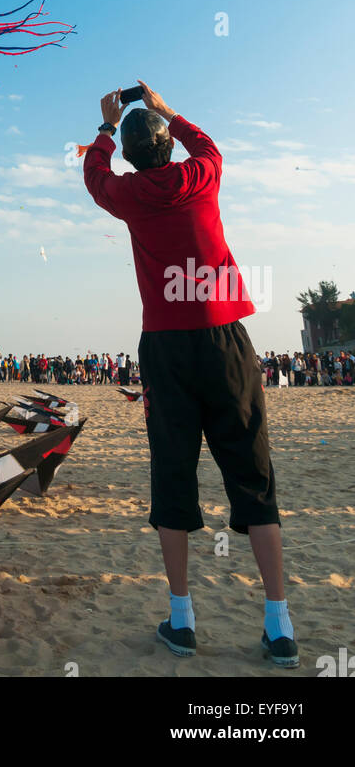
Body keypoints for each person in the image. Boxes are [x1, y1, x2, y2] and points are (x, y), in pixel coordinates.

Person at [82, 79, 296, 669]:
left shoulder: (128, 195)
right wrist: (163, 109)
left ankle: (182, 619)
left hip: (166, 347)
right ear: (169, 146)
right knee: (253, 478)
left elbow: (95, 179)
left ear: (130, 156)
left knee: (173, 474)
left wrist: (105, 127)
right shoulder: (201, 176)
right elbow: (209, 146)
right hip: (225, 339)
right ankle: (279, 625)